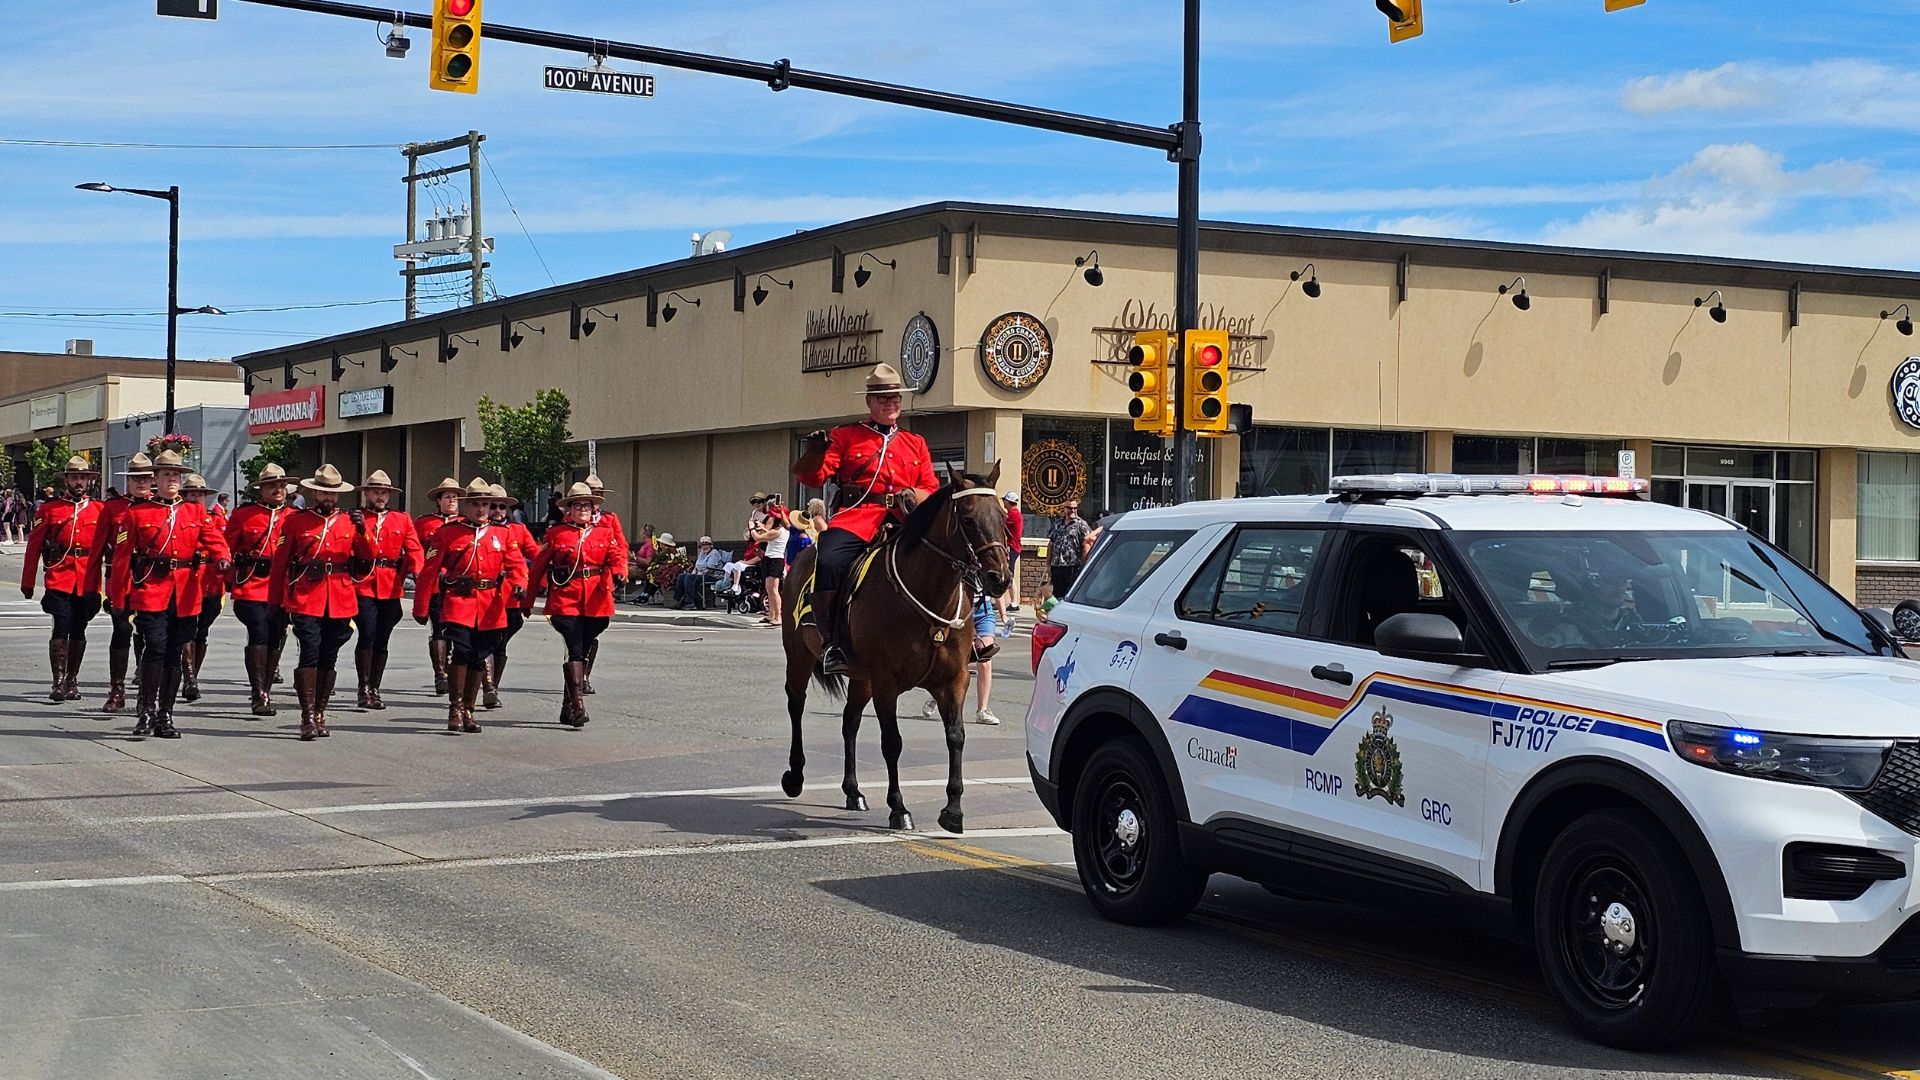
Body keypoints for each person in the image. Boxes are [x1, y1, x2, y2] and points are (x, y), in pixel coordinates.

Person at [791, 362, 939, 674]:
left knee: (946, 556)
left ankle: (960, 635)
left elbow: (931, 487)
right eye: (883, 398)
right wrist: (815, 453)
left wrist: (915, 494)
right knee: (829, 559)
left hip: (904, 520)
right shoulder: (845, 436)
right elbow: (812, 477)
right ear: (869, 401)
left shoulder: (915, 443)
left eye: (895, 398)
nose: (890, 403)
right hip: (857, 518)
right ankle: (831, 642)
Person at [121, 450, 230, 738]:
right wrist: (120, 597)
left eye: (176, 475)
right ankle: (146, 710)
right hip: (152, 589)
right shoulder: (138, 512)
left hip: (185, 593)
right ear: (154, 479)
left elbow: (214, 540)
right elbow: (122, 559)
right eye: (166, 474)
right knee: (155, 646)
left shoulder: (195, 512)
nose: (172, 479)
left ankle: (165, 714)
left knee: (174, 651)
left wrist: (222, 557)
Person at [414, 479, 530, 734]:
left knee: (479, 656)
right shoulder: (448, 533)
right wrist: (421, 608)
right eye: (476, 504)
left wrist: (520, 585)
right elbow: (429, 572)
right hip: (459, 601)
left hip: (490, 605)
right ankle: (455, 709)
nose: (481, 509)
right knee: (462, 651)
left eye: (485, 504)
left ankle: (469, 709)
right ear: (466, 507)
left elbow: (517, 565)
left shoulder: (503, 534)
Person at [269, 465, 360, 742]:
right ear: (313, 493)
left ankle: (320, 711)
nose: (328, 498)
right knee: (309, 652)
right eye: (323, 492)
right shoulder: (296, 522)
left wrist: (364, 531)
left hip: (340, 597)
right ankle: (307, 715)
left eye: (333, 493)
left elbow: (366, 557)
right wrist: (275, 602)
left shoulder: (348, 521)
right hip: (307, 596)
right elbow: (280, 563)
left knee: (329, 655)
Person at [531, 482, 627, 727]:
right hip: (566, 599)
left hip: (596, 599)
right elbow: (538, 567)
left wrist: (620, 572)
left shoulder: (604, 532)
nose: (583, 509)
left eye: (587, 505)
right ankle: (578, 704)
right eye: (577, 505)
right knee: (574, 648)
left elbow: (616, 555)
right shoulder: (556, 533)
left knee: (582, 650)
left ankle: (567, 707)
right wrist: (528, 600)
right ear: (569, 509)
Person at [19, 456, 105, 703]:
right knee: (61, 624)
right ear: (66, 480)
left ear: (88, 481)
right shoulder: (50, 509)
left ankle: (72, 680)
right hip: (60, 575)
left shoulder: (99, 510)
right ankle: (58, 681)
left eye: (83, 478)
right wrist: (27, 582)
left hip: (87, 577)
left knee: (79, 628)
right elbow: (34, 547)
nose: (79, 482)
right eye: (74, 477)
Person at [88, 453, 156, 714]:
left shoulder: (161, 507)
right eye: (136, 478)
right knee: (121, 631)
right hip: (121, 579)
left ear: (152, 480)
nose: (141, 482)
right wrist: (90, 587)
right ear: (128, 481)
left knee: (150, 633)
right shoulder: (114, 508)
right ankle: (116, 690)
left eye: (145, 478)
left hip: (150, 580)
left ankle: (146, 689)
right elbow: (97, 549)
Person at [350, 469, 423, 711]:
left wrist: (419, 572)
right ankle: (363, 687)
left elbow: (414, 548)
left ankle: (375, 688)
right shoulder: (357, 517)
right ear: (367, 494)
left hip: (390, 584)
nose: (380, 496)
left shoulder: (401, 519)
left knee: (382, 639)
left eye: (384, 492)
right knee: (367, 634)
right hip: (364, 583)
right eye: (375, 492)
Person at [226, 463, 293, 716]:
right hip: (252, 584)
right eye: (271, 486)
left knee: (276, 635)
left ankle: (266, 687)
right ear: (261, 490)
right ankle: (258, 693)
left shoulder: (294, 517)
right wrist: (231, 582)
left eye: (281, 485)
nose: (278, 490)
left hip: (282, 587)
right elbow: (227, 548)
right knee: (259, 631)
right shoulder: (244, 515)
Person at [480, 484, 540, 710]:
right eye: (493, 506)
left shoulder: (518, 529)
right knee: (488, 640)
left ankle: (493, 685)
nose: (497, 511)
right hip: (486, 594)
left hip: (512, 594)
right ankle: (488, 686)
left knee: (502, 640)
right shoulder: (479, 529)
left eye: (502, 507)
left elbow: (535, 554)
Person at [179, 474, 226, 702]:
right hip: (189, 577)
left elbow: (222, 544)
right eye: (192, 493)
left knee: (202, 630)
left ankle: (193, 676)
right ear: (184, 496)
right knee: (188, 629)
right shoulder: (179, 516)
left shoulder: (215, 518)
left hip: (211, 579)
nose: (196, 497)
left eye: (200, 493)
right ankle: (189, 679)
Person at [922, 593, 1003, 725]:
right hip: (961, 608)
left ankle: (983, 710)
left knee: (985, 659)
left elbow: (997, 591)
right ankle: (938, 695)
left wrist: (1003, 614)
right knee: (956, 663)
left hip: (984, 610)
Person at [415, 478, 464, 695]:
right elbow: (415, 549)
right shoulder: (425, 523)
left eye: (455, 497)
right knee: (439, 627)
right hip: (435, 584)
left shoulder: (465, 523)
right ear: (439, 500)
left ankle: (455, 669)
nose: (451, 500)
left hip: (458, 585)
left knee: (458, 628)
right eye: (447, 496)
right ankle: (441, 673)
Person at [581, 473, 628, 694]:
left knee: (596, 627)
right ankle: (577, 674)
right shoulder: (572, 517)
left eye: (598, 493)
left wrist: (621, 571)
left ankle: (584, 675)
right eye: (592, 493)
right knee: (575, 631)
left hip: (601, 580)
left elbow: (621, 546)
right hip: (576, 581)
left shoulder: (609, 519)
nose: (595, 497)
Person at [1046, 499, 1092, 603]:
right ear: (1064, 508)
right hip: (1057, 567)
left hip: (1073, 567)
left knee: (1070, 596)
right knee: (1056, 597)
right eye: (1070, 508)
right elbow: (1051, 544)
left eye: (1075, 508)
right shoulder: (1057, 524)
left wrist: (1084, 565)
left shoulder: (1081, 525)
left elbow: (1087, 544)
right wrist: (1048, 564)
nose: (1073, 510)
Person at [752, 505, 789, 627]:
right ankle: (771, 614)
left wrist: (752, 527)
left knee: (773, 590)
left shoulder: (777, 532)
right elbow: (768, 533)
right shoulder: (782, 530)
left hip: (774, 560)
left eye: (771, 518)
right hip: (771, 559)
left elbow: (758, 537)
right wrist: (762, 527)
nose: (769, 520)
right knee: (769, 589)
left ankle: (778, 617)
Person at [674, 536, 728, 609]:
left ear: (710, 545)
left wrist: (696, 575)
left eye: (707, 544)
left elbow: (709, 569)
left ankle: (691, 602)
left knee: (689, 578)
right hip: (701, 575)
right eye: (703, 545)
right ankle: (679, 600)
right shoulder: (702, 553)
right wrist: (693, 574)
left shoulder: (714, 553)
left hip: (712, 576)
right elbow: (696, 567)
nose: (704, 547)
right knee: (682, 576)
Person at [1001, 491, 1024, 613]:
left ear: (1008, 502)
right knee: (1007, 574)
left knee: (1009, 575)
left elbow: (1000, 523)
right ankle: (1006, 601)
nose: (1003, 503)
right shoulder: (1013, 514)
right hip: (1012, 547)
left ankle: (1014, 602)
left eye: (1004, 500)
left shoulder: (1013, 515)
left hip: (1012, 548)